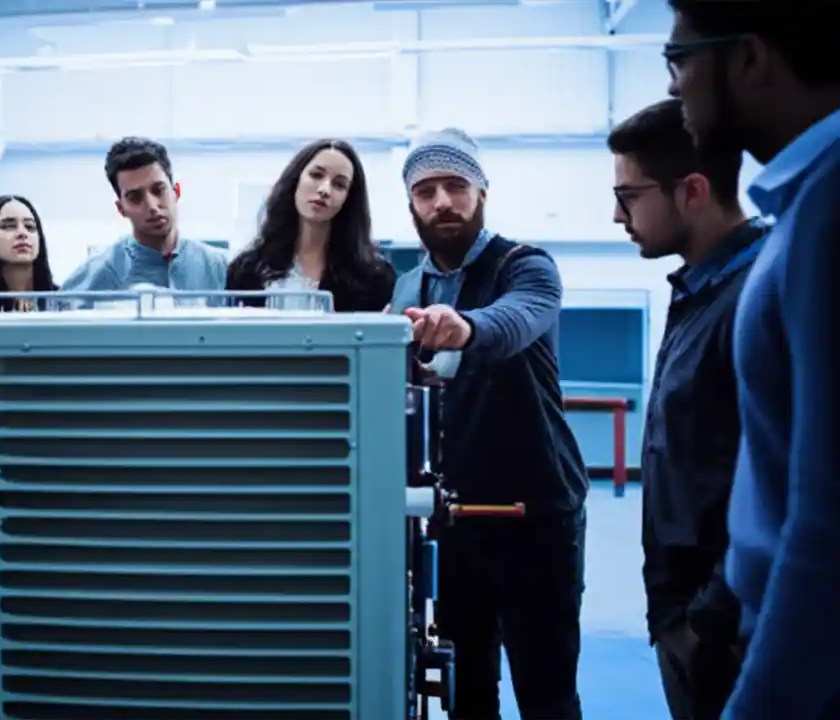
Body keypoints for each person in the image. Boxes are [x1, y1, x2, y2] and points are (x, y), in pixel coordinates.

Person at [666, 2, 840, 717]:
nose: (675, 86)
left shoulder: (830, 205)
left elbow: (826, 523)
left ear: (751, 58)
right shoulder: (809, 202)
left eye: (680, 60)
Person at [387, 128, 588, 719]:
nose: (442, 201)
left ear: (482, 192)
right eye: (426, 191)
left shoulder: (527, 267)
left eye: (455, 185)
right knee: (468, 690)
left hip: (538, 514)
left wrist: (464, 328)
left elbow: (514, 321)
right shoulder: (406, 286)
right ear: (412, 205)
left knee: (546, 690)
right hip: (453, 519)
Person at [608, 97, 768, 720]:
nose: (616, 214)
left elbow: (785, 481)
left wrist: (710, 619)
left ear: (692, 190)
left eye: (629, 196)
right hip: (689, 619)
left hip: (730, 630)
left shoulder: (757, 297)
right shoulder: (699, 288)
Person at [226, 138, 395, 311]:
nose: (324, 190)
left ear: (349, 199)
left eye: (339, 184)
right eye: (316, 175)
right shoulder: (246, 269)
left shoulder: (374, 276)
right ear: (296, 180)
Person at [61, 136, 227, 294]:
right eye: (135, 197)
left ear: (176, 191)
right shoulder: (94, 277)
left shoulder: (221, 269)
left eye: (159, 190)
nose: (152, 206)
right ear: (121, 208)